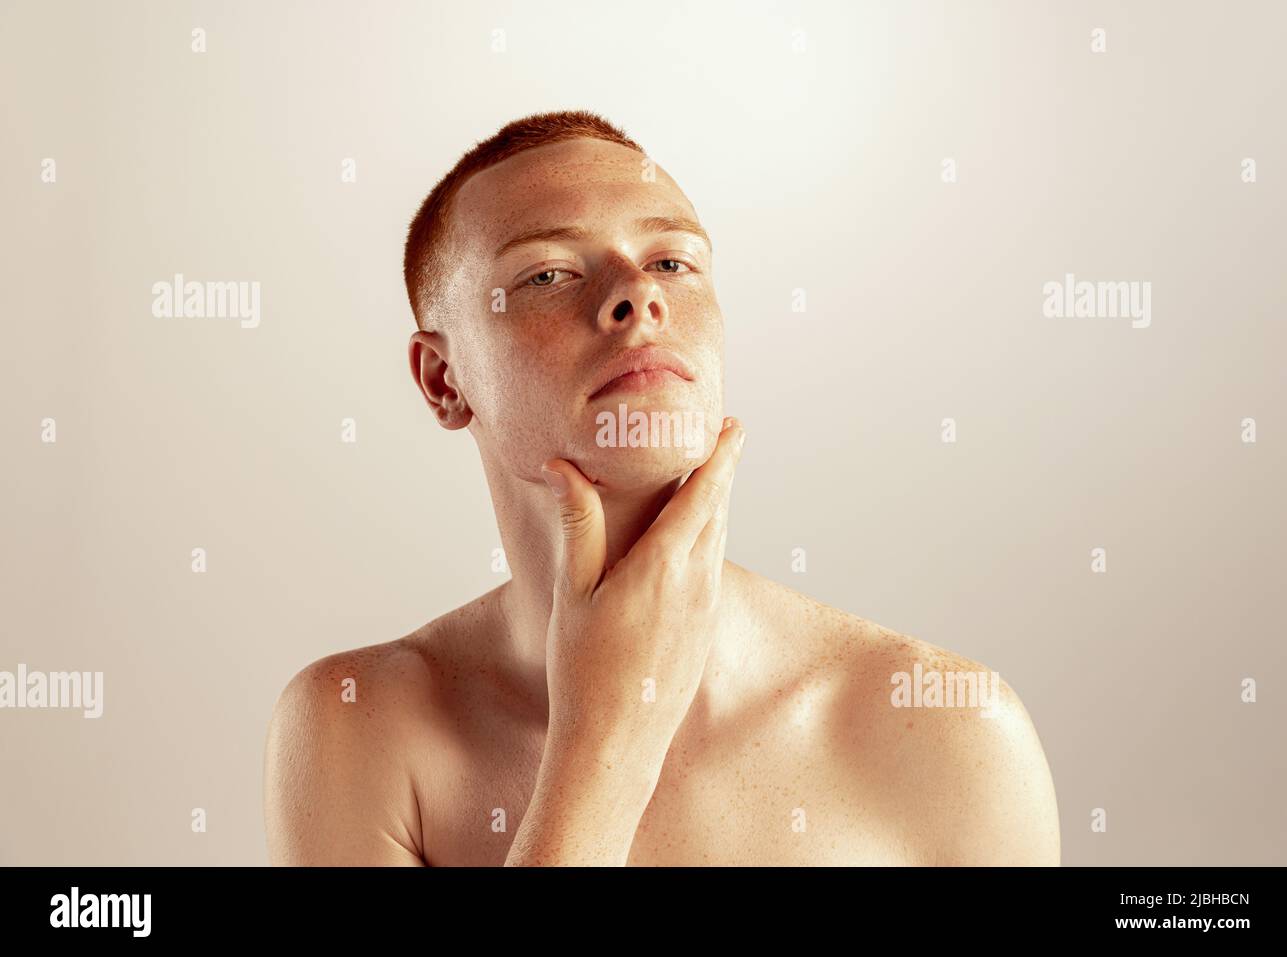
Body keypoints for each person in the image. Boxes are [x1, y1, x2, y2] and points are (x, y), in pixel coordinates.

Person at [263, 110, 1060, 866]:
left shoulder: (948, 728)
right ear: (444, 378)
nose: (637, 295)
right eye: (547, 273)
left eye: (672, 261)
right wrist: (604, 743)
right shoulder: (357, 727)